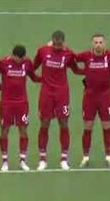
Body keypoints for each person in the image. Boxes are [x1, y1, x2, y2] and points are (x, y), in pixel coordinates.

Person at [31, 30, 76, 169]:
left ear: (63, 42)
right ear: (51, 41)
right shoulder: (43, 51)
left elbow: (76, 69)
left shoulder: (68, 54)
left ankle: (64, 159)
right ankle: (43, 159)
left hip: (62, 94)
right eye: (55, 44)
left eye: (59, 44)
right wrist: (40, 79)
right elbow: (32, 68)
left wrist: (93, 73)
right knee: (44, 123)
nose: (57, 47)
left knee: (64, 123)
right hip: (46, 94)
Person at [74, 33, 110, 167]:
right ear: (92, 44)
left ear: (104, 44)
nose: (98, 45)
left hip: (105, 97)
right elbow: (71, 58)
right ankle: (85, 157)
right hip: (89, 97)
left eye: (100, 42)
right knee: (87, 127)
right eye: (96, 42)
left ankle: (109, 157)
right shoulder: (85, 56)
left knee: (106, 127)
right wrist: (82, 71)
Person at [0, 44, 33, 170]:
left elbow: (32, 76)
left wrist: (44, 79)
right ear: (13, 55)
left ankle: (23, 160)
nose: (20, 60)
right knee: (5, 130)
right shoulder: (3, 62)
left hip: (22, 103)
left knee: (23, 130)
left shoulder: (27, 63)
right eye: (18, 58)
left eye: (22, 58)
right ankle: (5, 161)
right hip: (7, 103)